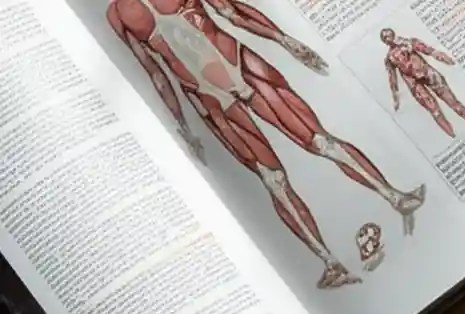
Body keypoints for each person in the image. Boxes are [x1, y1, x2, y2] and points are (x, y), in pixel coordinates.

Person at [106, 0, 426, 288]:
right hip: (210, 99)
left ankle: (395, 197)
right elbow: (155, 72)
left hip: (243, 67)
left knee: (319, 142)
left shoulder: (119, 13)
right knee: (273, 180)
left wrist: (283, 39)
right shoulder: (116, 14)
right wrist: (182, 126)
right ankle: (331, 263)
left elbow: (231, 10)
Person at [381, 28, 465, 138]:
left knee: (450, 99)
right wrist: (395, 96)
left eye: (388, 35)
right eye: (385, 37)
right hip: (414, 84)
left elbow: (427, 49)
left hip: (427, 73)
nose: (388, 38)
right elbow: (392, 78)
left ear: (393, 34)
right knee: (434, 110)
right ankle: (453, 136)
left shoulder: (408, 42)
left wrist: (442, 57)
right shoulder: (389, 58)